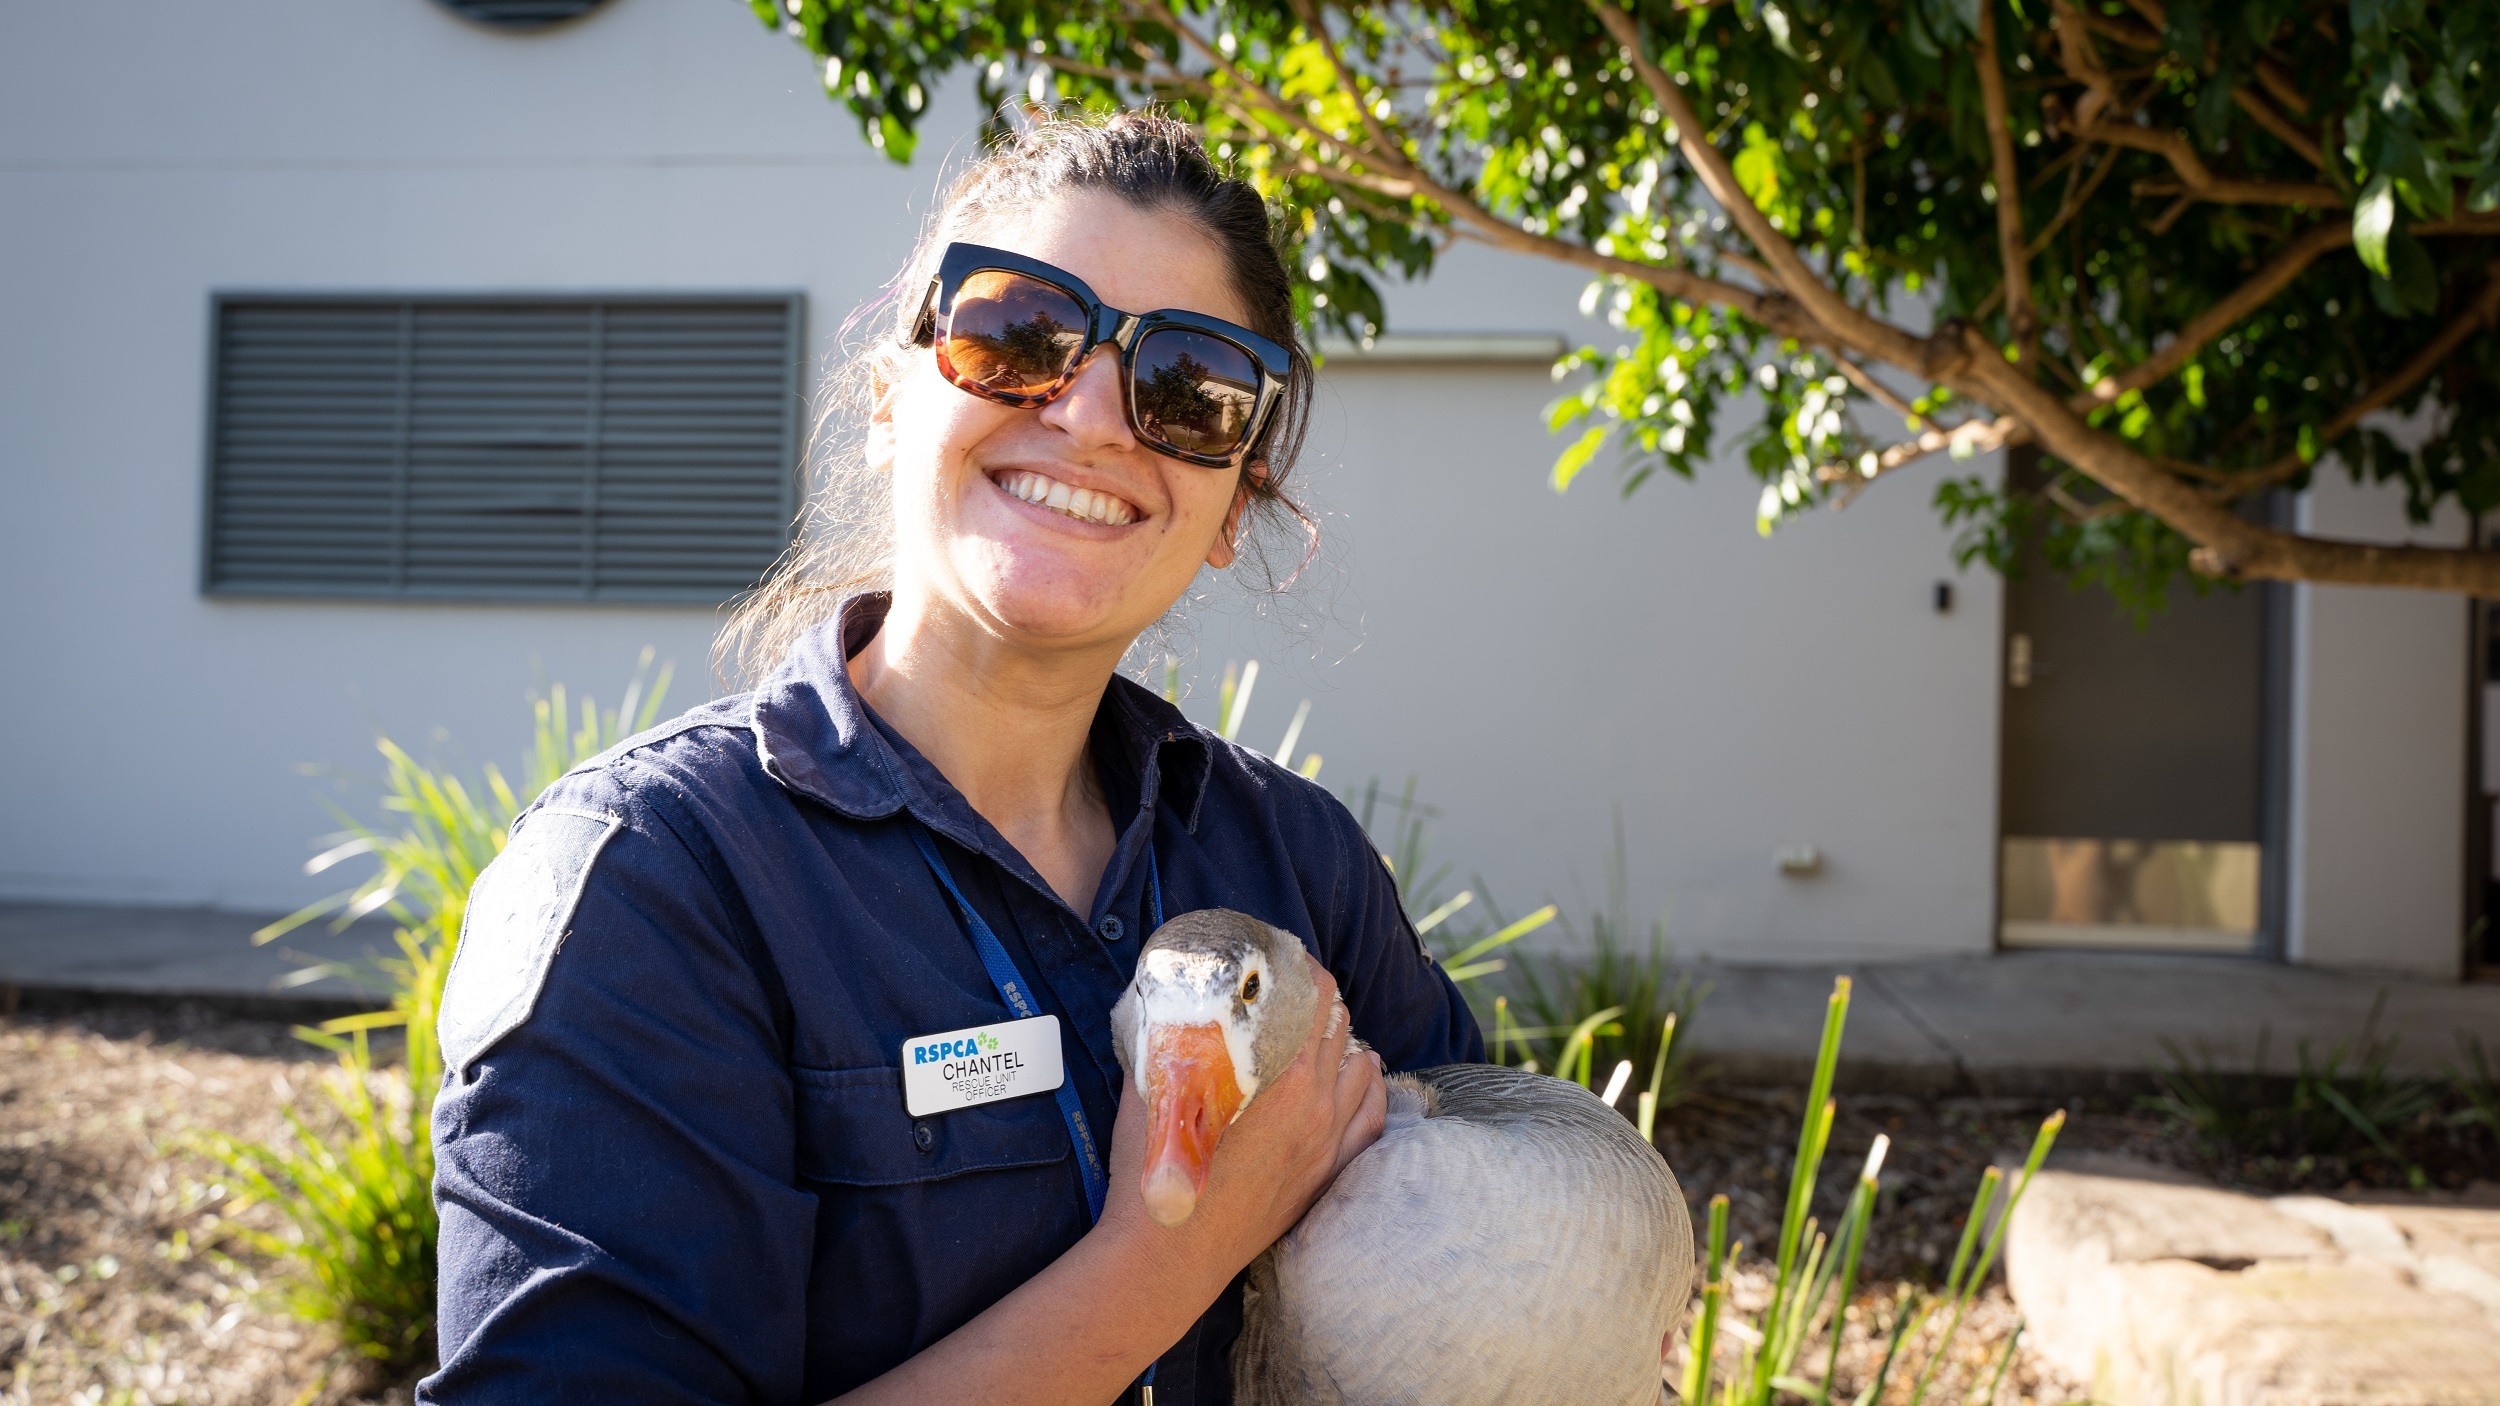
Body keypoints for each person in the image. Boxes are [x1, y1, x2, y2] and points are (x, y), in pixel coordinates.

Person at [420, 111, 1484, 1406]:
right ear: (891, 399)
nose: (1091, 416)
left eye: (1188, 386)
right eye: (1020, 335)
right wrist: (1169, 1259)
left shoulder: (1300, 861)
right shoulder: (652, 878)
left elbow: (1491, 1241)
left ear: (1232, 504)